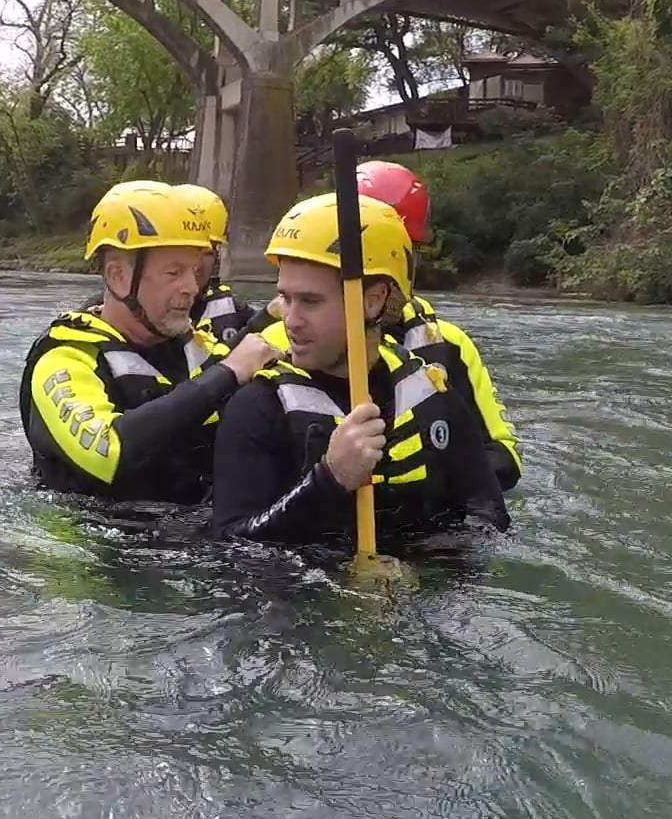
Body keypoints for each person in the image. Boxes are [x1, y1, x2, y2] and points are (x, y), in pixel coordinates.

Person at [210, 192, 511, 550]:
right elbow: (231, 547)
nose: (291, 320)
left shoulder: (433, 395)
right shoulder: (258, 407)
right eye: (286, 298)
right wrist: (330, 479)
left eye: (310, 301)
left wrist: (425, 567)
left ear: (373, 300)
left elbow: (488, 517)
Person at [260, 161, 525, 492]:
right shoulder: (281, 340)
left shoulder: (447, 344)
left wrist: (436, 477)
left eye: (401, 253)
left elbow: (504, 456)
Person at [18, 179, 281, 505]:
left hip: (187, 527)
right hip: (96, 535)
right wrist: (228, 373)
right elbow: (112, 453)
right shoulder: (64, 360)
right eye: (174, 273)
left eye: (194, 271)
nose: (192, 288)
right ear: (118, 277)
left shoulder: (197, 348)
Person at [172, 183, 259, 344]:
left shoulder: (231, 309)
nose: (197, 265)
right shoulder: (141, 320)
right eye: (187, 252)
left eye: (207, 253)